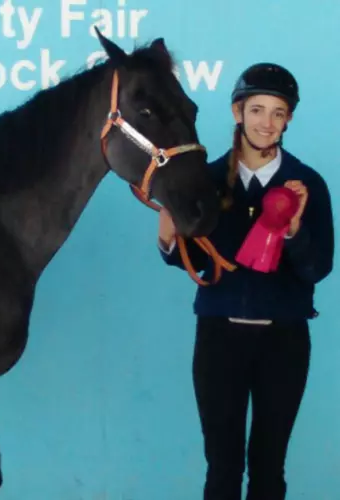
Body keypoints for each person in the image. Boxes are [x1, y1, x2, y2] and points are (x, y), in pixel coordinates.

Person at [158, 62, 334, 500]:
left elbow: (317, 269)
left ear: (289, 119)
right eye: (257, 110)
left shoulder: (308, 184)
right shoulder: (207, 180)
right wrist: (167, 242)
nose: (266, 122)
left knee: (269, 468)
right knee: (222, 467)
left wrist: (293, 230)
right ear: (238, 111)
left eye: (278, 112)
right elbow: (197, 262)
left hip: (285, 342)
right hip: (219, 339)